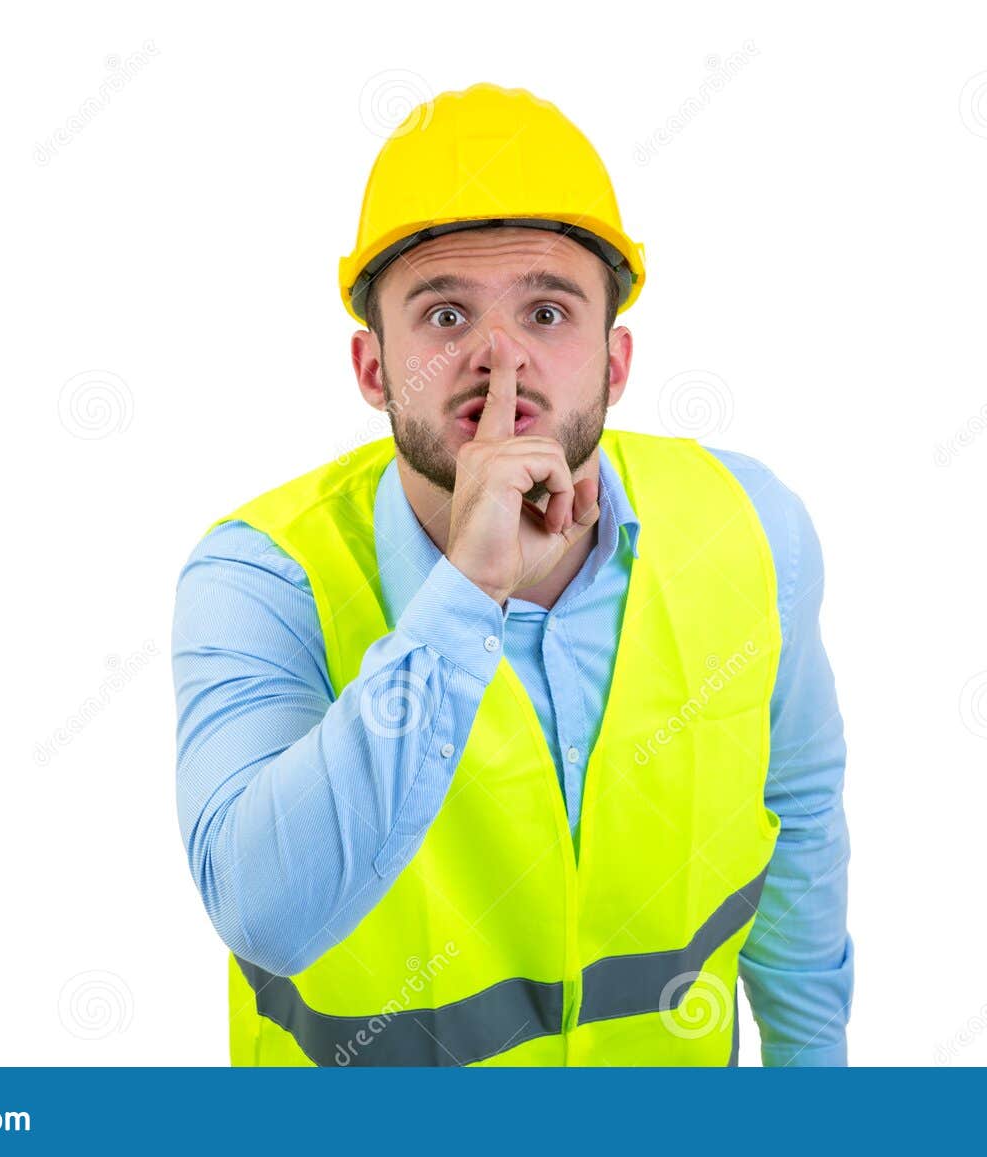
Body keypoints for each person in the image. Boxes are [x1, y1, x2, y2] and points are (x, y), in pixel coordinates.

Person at [171, 82, 852, 1066]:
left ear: (616, 363)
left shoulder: (747, 524)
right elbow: (265, 909)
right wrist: (467, 588)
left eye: (545, 310)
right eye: (445, 314)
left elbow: (798, 824)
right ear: (372, 368)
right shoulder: (259, 574)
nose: (502, 359)